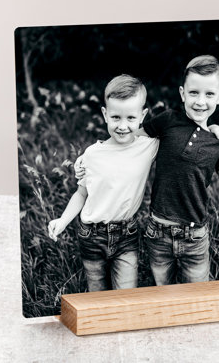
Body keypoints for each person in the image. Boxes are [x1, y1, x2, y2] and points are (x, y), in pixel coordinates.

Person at [138, 55, 219, 285]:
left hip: (195, 237)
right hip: (158, 231)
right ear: (182, 93)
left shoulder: (218, 143)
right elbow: (131, 142)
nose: (200, 101)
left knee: (199, 297)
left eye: (209, 94)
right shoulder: (168, 120)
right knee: (164, 294)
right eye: (193, 93)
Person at [47, 74, 159, 291]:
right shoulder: (92, 154)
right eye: (116, 117)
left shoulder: (148, 146)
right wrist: (62, 221)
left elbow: (177, 131)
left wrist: (215, 130)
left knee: (126, 296)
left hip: (126, 235)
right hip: (91, 235)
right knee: (97, 294)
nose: (123, 126)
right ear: (105, 114)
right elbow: (81, 194)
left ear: (142, 116)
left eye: (130, 118)